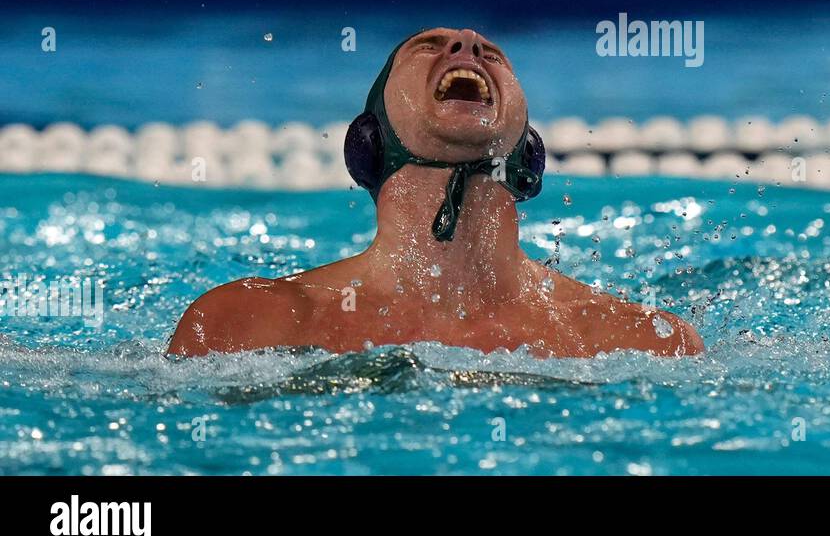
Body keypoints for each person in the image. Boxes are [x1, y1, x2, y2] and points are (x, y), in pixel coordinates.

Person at [168, 28, 703, 358]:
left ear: (528, 150)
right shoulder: (247, 321)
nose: (466, 45)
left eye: (490, 53)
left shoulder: (641, 340)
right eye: (427, 47)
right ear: (369, 139)